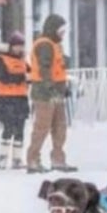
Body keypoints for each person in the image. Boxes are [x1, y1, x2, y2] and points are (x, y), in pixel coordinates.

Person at [26, 14, 77, 174]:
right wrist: (52, 88)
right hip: (44, 93)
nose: (63, 33)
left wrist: (62, 88)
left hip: (56, 92)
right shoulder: (45, 45)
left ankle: (58, 160)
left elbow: (58, 68)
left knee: (59, 127)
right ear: (53, 29)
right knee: (42, 127)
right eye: (61, 30)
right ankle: (33, 160)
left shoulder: (54, 44)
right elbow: (44, 69)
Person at [0, 31, 30, 170]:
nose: (19, 48)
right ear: (11, 46)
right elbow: (3, 77)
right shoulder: (1, 59)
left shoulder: (22, 60)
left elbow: (30, 73)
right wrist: (22, 78)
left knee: (20, 129)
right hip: (5, 98)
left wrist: (30, 78)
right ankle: (2, 158)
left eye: (21, 46)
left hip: (21, 98)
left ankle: (17, 159)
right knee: (8, 128)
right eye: (17, 46)